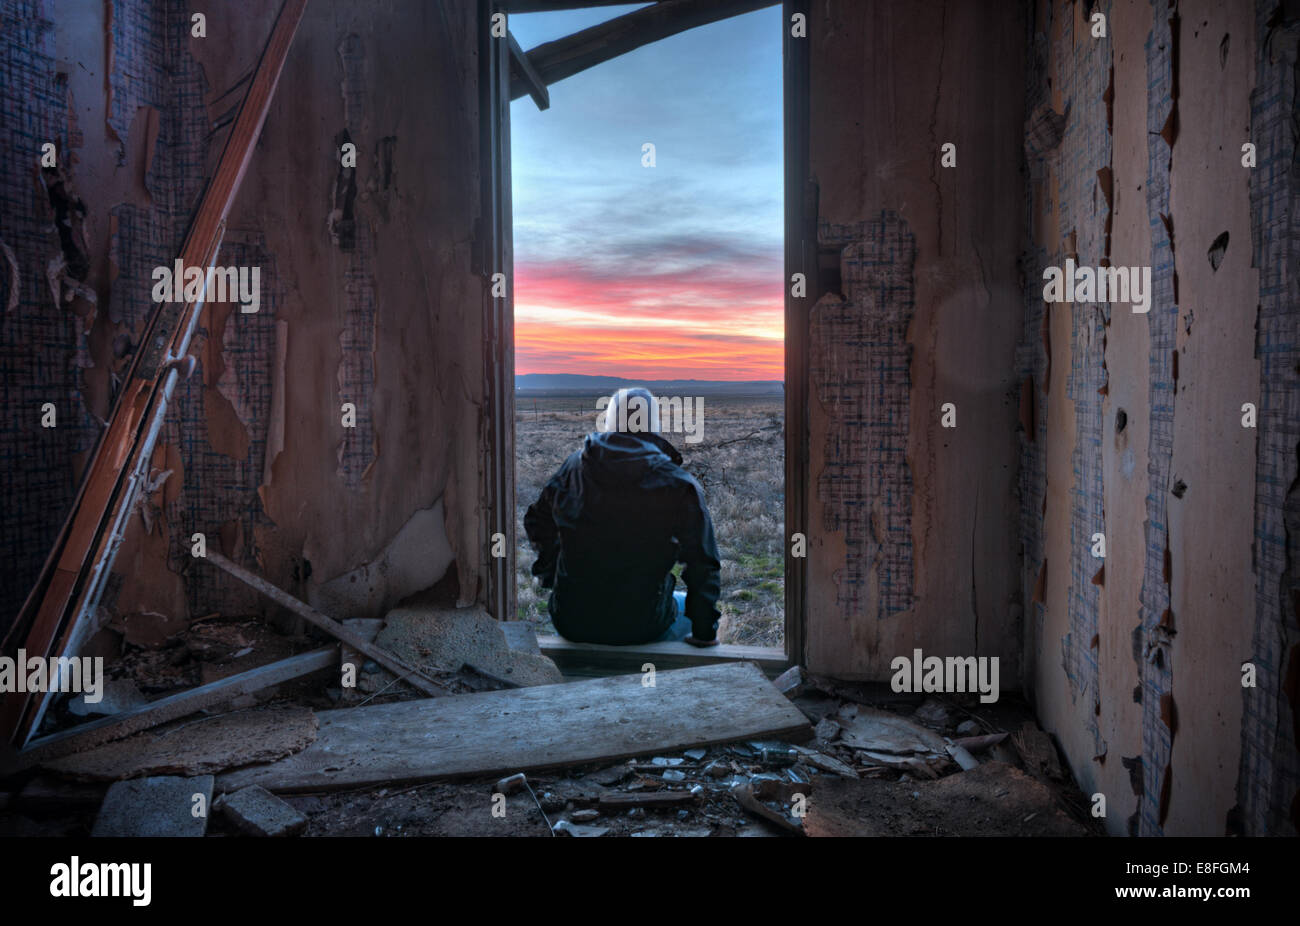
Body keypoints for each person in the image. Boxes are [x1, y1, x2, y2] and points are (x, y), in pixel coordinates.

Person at [524, 387, 721, 647]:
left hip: (571, 618)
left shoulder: (573, 467)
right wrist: (705, 633)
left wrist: (553, 576)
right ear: (654, 423)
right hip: (641, 624)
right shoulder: (677, 482)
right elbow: (702, 562)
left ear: (610, 421)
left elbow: (537, 521)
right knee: (684, 608)